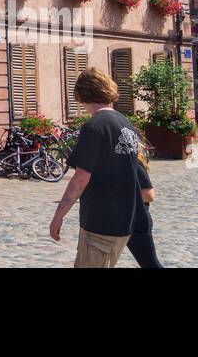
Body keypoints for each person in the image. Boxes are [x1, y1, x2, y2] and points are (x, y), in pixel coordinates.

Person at [49, 67, 142, 267]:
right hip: (124, 219)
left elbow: (80, 179)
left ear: (82, 94)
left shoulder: (95, 127)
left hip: (101, 221)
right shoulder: (125, 123)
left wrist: (58, 216)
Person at [126, 148, 164, 268]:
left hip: (136, 220)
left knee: (150, 264)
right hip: (121, 219)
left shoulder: (133, 162)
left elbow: (149, 195)